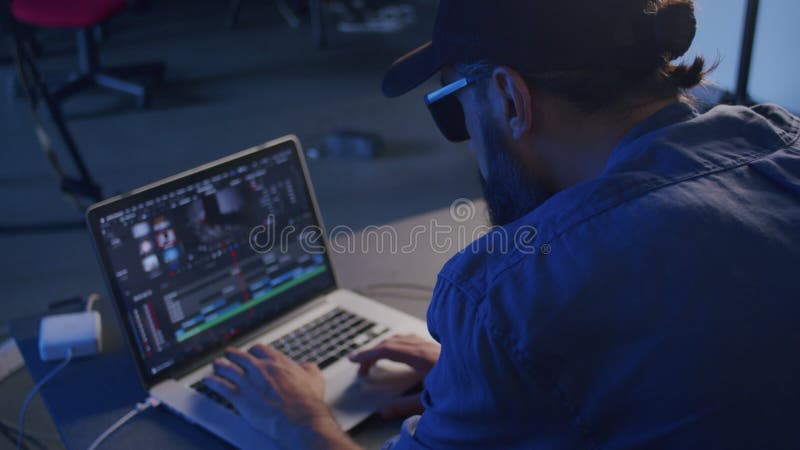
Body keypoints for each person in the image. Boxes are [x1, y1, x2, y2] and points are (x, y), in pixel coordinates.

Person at [204, 0, 800, 448]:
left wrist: (301, 422)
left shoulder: (512, 298)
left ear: (511, 100)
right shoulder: (784, 146)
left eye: (456, 114)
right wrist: (505, 382)